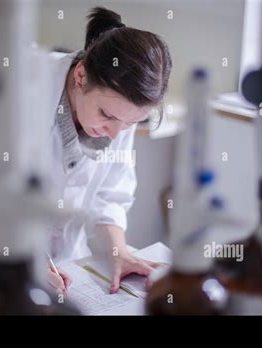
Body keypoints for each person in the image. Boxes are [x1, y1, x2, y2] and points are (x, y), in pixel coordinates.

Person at [45, 7, 172, 295]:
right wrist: (26, 263)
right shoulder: (25, 91)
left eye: (130, 123)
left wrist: (119, 252)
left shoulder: (118, 117)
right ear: (80, 76)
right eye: (108, 115)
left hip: (68, 264)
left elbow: (109, 196)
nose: (116, 133)